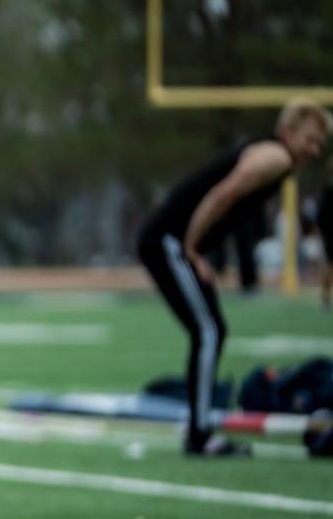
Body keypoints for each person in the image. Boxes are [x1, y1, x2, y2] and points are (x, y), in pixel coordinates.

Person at [136, 98, 328, 456]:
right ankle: (199, 434)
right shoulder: (277, 156)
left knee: (209, 330)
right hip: (169, 240)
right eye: (309, 140)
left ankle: (199, 429)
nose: (314, 150)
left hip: (169, 239)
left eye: (319, 143)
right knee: (209, 330)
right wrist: (192, 249)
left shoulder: (276, 157)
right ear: (287, 133)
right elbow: (223, 194)